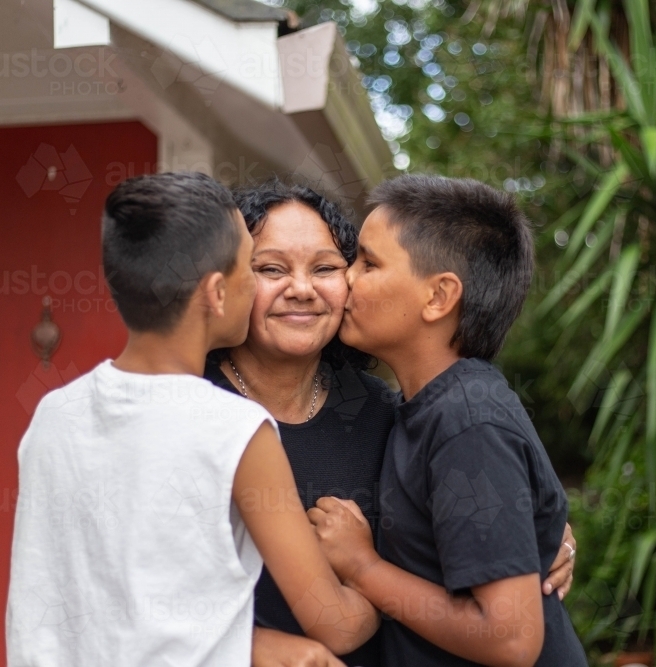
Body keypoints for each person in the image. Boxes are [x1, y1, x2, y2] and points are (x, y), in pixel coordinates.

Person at [202, 179, 579, 667]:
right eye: (271, 268)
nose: (304, 288)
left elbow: (507, 621)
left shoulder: (396, 413)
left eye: (332, 267)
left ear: (439, 296)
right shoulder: (185, 410)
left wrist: (544, 532)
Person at [6, 173, 377, 666]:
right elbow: (334, 623)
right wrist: (378, 587)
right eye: (255, 266)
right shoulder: (236, 430)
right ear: (218, 293)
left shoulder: (55, 414)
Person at [307, 174, 588, 666]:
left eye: (369, 262)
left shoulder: (467, 422)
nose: (346, 277)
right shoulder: (424, 409)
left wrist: (362, 566)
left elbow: (512, 640)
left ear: (438, 297)